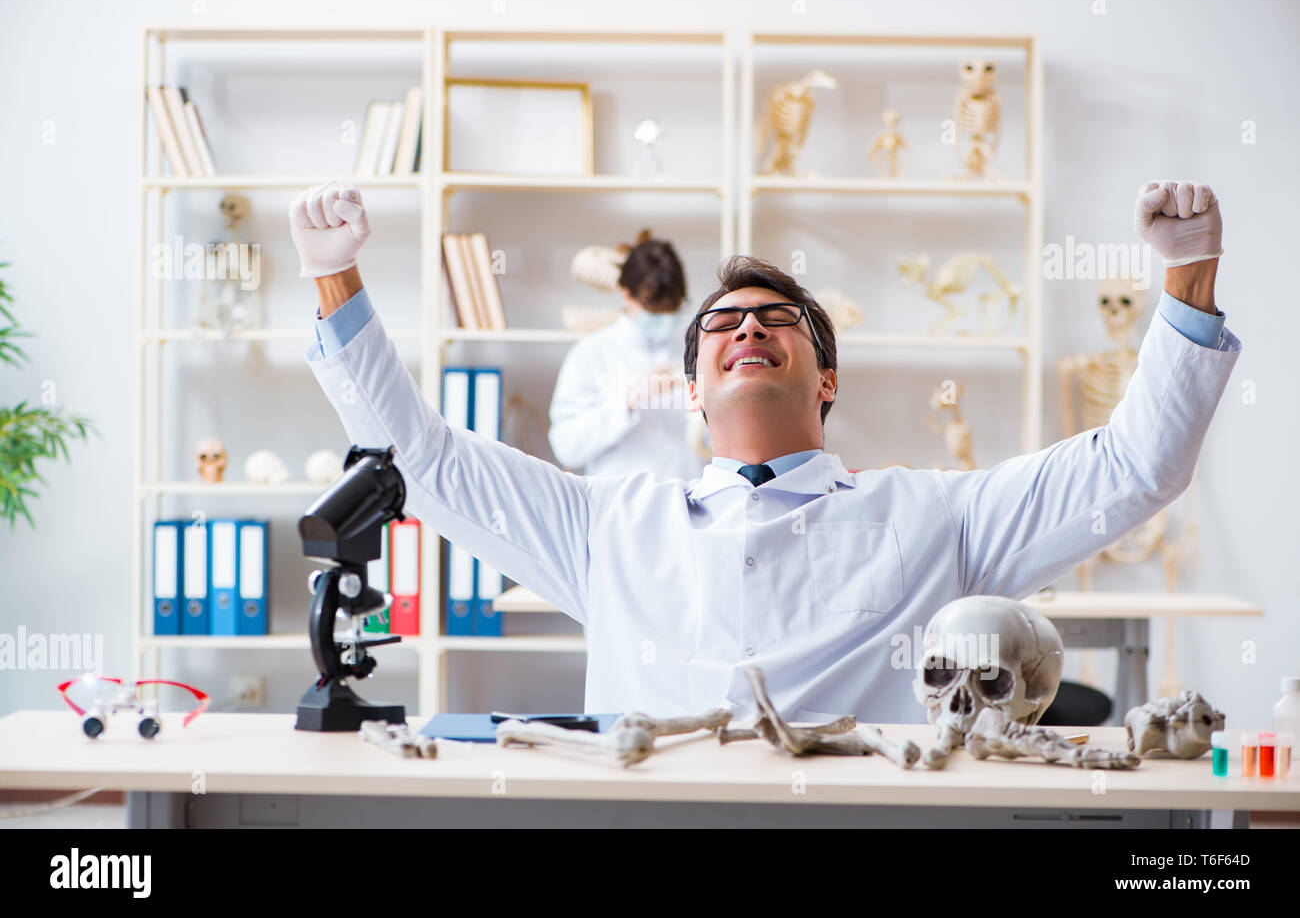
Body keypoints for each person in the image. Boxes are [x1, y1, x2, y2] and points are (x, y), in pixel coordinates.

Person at [291, 179, 1238, 724]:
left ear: (825, 379)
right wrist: (335, 278)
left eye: (777, 318)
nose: (747, 327)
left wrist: (1187, 273)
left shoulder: (938, 516)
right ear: (691, 391)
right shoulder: (605, 523)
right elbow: (423, 460)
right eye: (721, 325)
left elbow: (1135, 466)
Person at [548, 234, 703, 481]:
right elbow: (567, 447)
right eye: (654, 309)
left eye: (673, 308)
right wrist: (628, 402)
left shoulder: (695, 349)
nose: (665, 317)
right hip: (618, 506)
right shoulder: (592, 353)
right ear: (626, 295)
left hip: (688, 502)